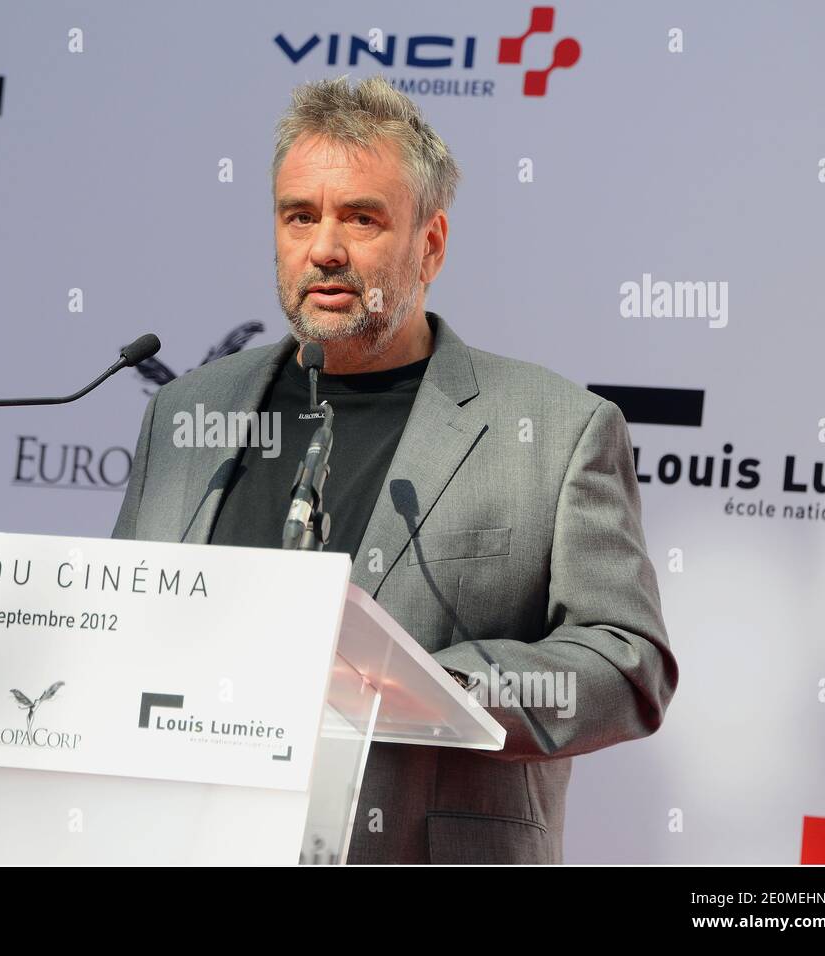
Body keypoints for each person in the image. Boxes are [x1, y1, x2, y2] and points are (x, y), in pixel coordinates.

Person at [112, 74, 677, 864]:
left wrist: (440, 690)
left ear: (431, 243)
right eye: (298, 216)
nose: (324, 248)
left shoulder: (556, 429)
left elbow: (628, 663)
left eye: (362, 218)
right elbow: (122, 627)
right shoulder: (187, 414)